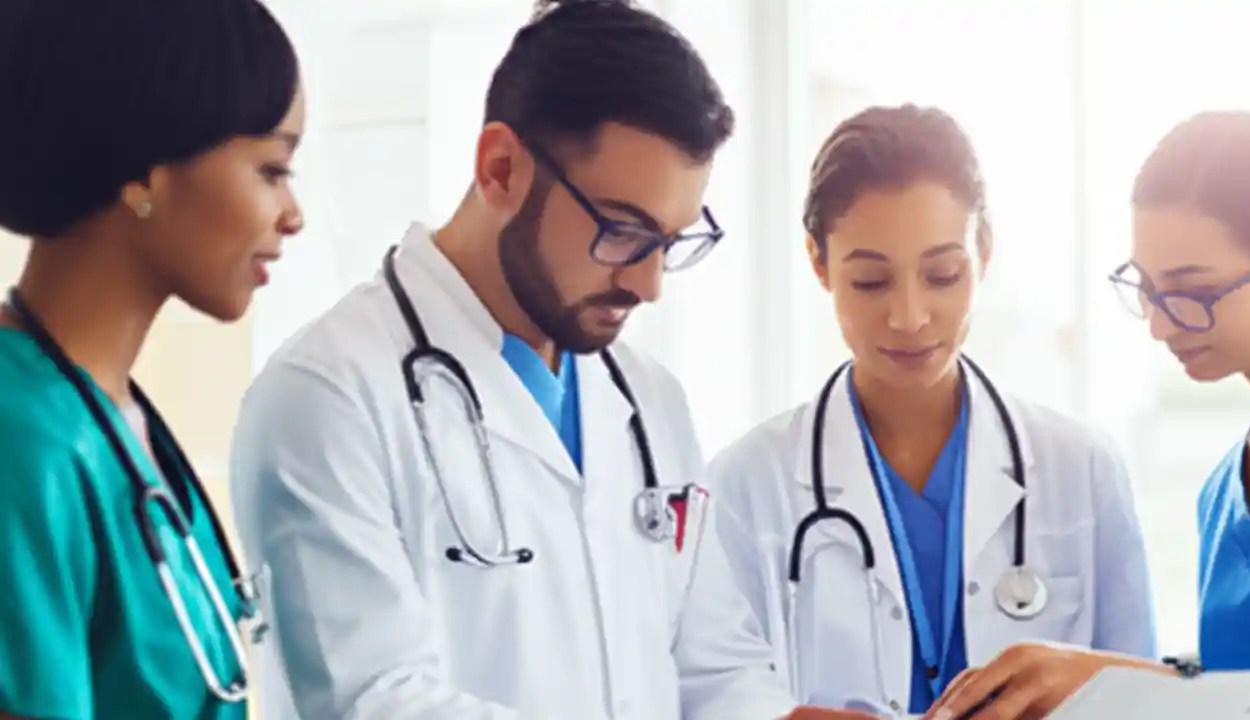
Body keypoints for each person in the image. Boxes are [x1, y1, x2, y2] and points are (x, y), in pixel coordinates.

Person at [228, 1, 875, 718]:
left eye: (670, 243)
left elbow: (711, 671)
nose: (648, 285)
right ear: (501, 168)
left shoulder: (648, 401)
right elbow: (374, 701)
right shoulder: (328, 396)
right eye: (623, 232)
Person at [707, 104, 1157, 718]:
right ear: (818, 262)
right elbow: (717, 692)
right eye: (871, 281)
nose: (910, 317)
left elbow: (1142, 702)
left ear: (985, 251)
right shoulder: (745, 485)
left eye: (942, 275)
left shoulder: (1082, 468)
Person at [0, 1, 305, 718]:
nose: (293, 215)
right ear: (143, 171)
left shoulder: (119, 424)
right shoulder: (21, 439)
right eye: (272, 169)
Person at [922, 111, 1250, 720]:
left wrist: (1121, 684)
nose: (1160, 325)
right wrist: (1097, 683)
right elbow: (1237, 688)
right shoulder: (1225, 491)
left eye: (1193, 292)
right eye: (1147, 288)